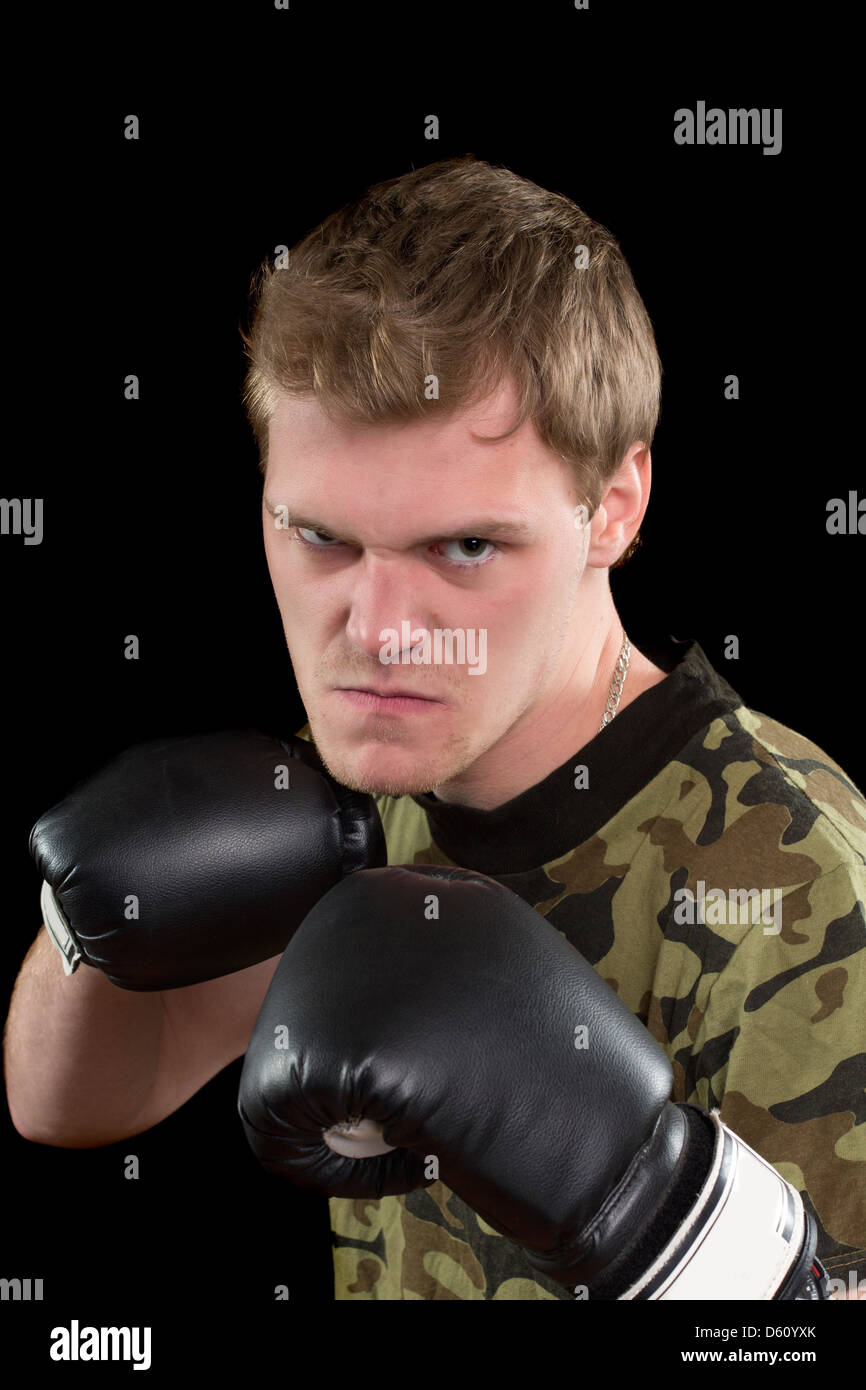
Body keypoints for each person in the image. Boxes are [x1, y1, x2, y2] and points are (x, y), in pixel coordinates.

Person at [6, 156, 864, 1301]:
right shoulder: (347, 802)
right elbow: (67, 1102)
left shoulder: (798, 887)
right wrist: (88, 918)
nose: (377, 633)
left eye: (463, 548)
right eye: (321, 539)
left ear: (612, 505)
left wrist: (668, 1222)